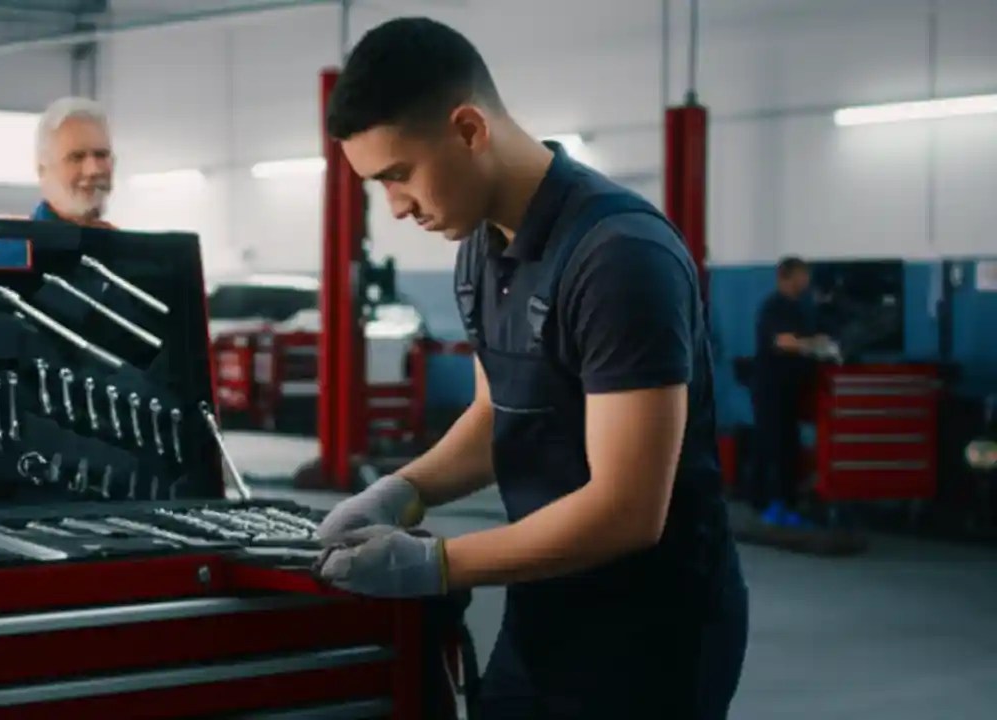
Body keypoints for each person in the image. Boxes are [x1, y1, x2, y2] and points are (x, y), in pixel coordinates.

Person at [312, 17, 748, 720]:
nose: (394, 207)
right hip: (544, 607)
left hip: (651, 639)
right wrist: (400, 491)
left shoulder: (619, 257)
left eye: (398, 175)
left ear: (468, 129)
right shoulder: (482, 247)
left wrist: (436, 564)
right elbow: (497, 418)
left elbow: (628, 511)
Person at [0, 96, 115, 267]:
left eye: (101, 155)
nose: (93, 170)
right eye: (76, 157)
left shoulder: (128, 253)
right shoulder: (10, 257)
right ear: (43, 170)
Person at [750, 257, 829, 527]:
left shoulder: (799, 309)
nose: (806, 281)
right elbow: (783, 341)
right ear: (786, 277)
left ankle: (786, 504)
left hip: (790, 391)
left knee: (789, 449)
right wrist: (813, 345)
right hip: (771, 390)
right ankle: (770, 505)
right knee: (774, 446)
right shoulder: (774, 307)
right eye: (801, 275)